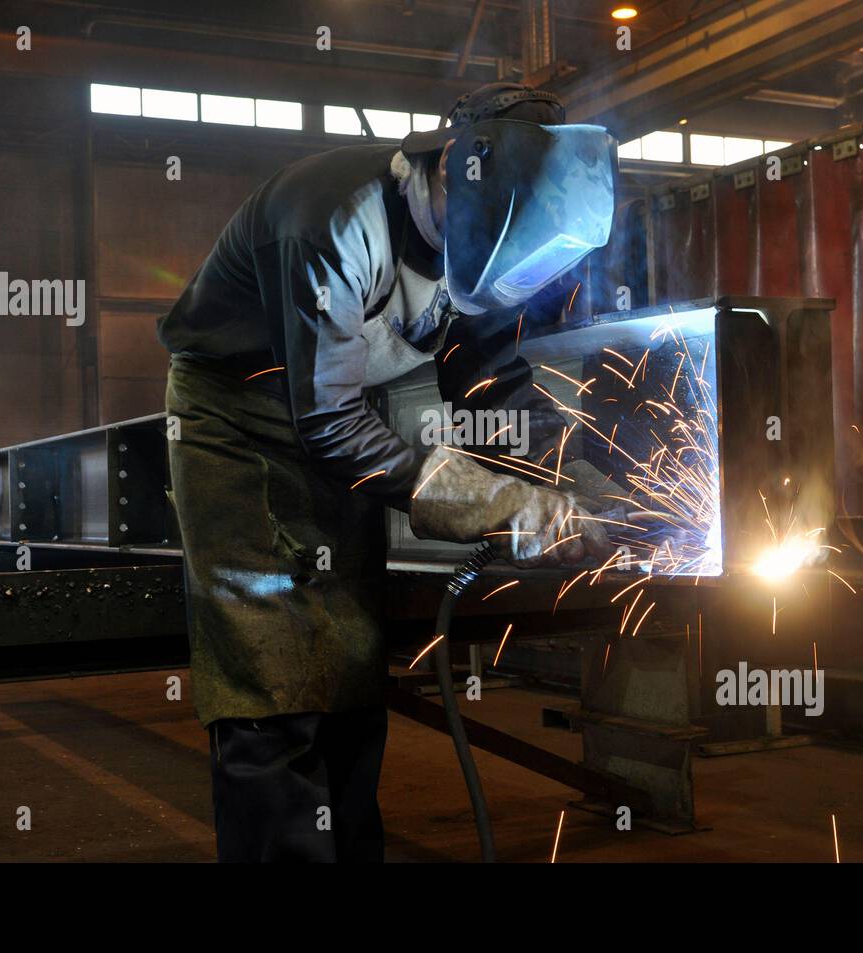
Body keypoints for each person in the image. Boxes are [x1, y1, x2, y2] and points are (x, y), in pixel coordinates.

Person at [157, 82, 618, 862]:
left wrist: (577, 475)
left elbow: (493, 380)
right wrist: (505, 505)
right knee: (273, 681)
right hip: (240, 423)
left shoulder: (494, 237)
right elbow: (330, 427)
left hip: (339, 415)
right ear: (448, 172)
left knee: (350, 665)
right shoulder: (335, 222)